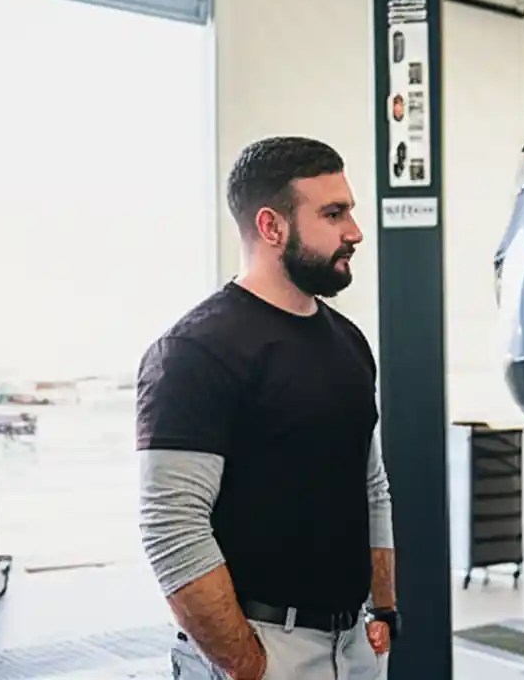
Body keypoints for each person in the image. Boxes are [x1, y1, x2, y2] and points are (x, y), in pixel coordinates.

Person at [136, 136, 397, 680]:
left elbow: (370, 485)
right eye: (333, 213)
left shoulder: (349, 344)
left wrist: (384, 610)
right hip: (262, 650)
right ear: (272, 227)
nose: (354, 231)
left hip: (353, 649)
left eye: (349, 210)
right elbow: (171, 525)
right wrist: (247, 666)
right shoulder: (194, 351)